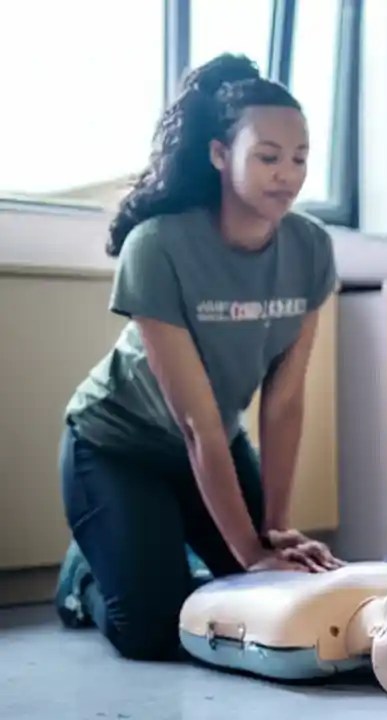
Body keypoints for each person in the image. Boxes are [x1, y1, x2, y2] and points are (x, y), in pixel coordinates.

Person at [53, 53, 343, 661]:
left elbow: (284, 404)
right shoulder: (156, 246)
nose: (287, 174)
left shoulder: (312, 248)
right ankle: (85, 574)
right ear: (219, 155)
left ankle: (160, 544)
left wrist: (274, 530)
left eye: (300, 157)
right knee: (153, 629)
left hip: (216, 445)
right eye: (268, 156)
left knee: (259, 588)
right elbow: (196, 423)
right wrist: (250, 551)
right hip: (116, 446)